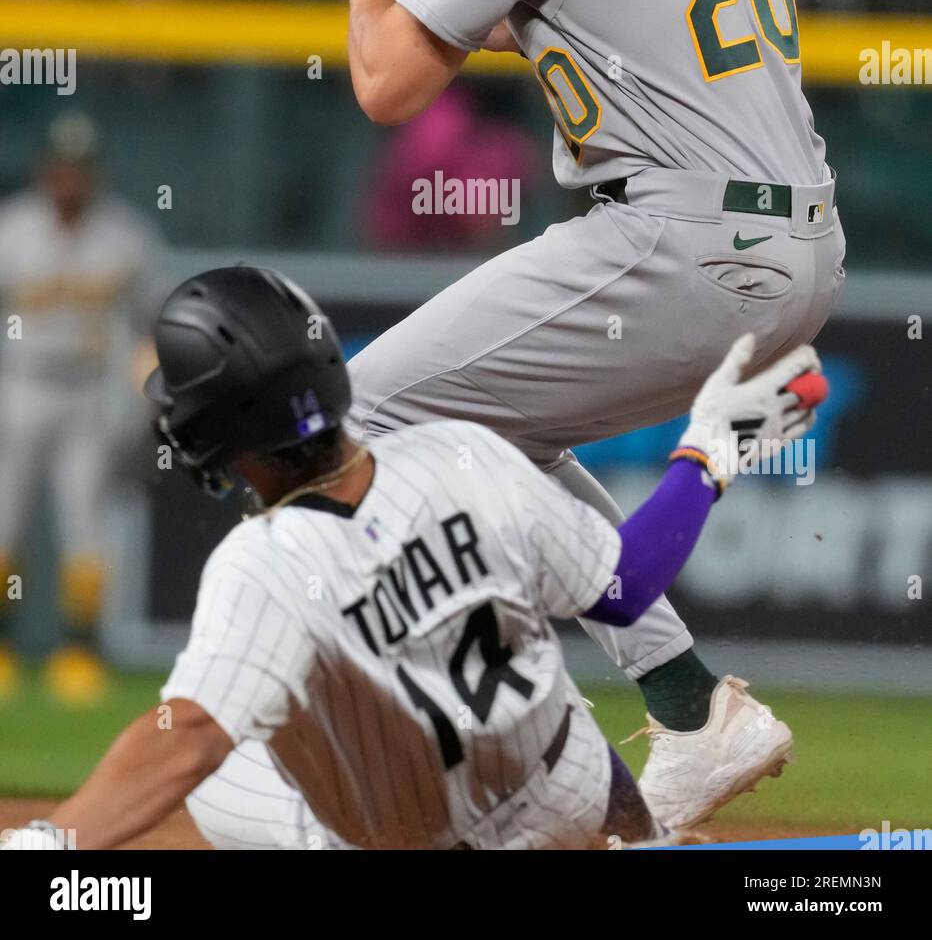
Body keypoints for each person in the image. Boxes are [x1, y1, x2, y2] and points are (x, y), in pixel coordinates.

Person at [328, 0, 846, 829]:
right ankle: (683, 703)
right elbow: (596, 21)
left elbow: (387, 84)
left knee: (360, 414)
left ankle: (488, 740)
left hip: (679, 235)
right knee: (498, 432)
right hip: (794, 240)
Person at [0, 265, 823, 851]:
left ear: (211, 434)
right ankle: (635, 837)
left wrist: (50, 845)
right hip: (568, 800)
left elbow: (184, 742)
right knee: (528, 662)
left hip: (418, 836)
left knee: (225, 758)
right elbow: (625, 588)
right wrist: (708, 451)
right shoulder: (469, 454)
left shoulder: (263, 565)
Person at [0, 114, 163, 703]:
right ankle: (3, 647)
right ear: (47, 169)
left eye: (81, 168)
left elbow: (151, 325)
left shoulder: (126, 235)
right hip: (23, 382)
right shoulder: (12, 229)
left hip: (92, 389)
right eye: (63, 166)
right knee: (5, 517)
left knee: (85, 522)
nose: (70, 178)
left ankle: (78, 649)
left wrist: (143, 397)